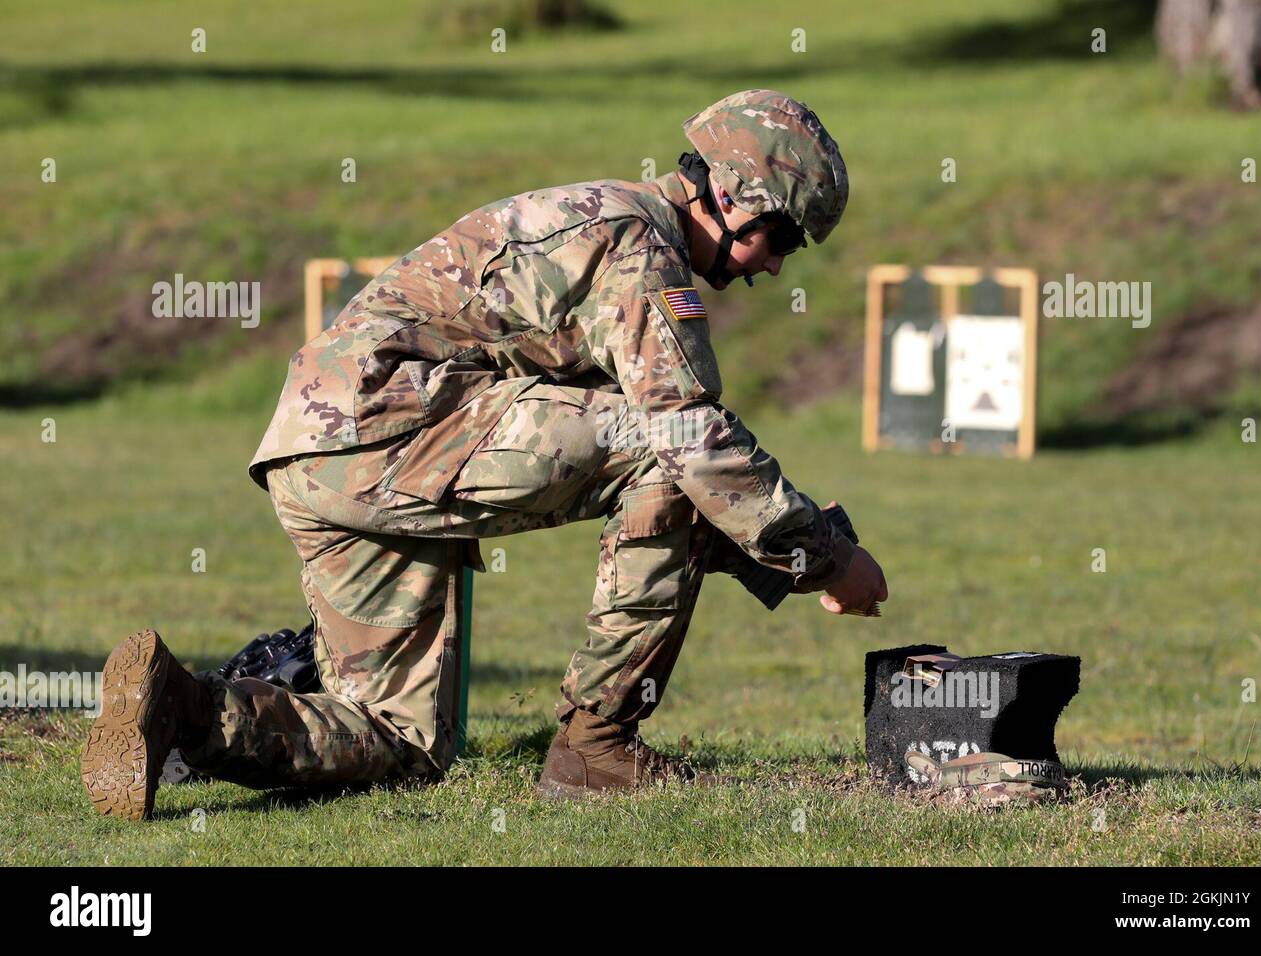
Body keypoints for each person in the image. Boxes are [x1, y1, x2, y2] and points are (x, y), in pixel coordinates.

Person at [81, 89, 888, 819]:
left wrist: (779, 557)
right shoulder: (640, 250)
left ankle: (181, 709)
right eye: (779, 235)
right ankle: (597, 749)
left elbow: (683, 493)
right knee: (657, 448)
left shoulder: (607, 220)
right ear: (730, 195)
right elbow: (688, 438)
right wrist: (823, 560)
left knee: (401, 744)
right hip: (393, 427)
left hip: (316, 450)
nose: (776, 264)